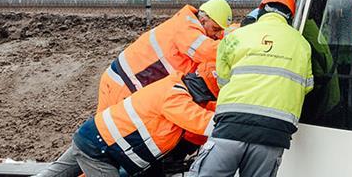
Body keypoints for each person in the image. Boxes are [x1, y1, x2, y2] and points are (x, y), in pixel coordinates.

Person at [191, 0, 313, 177]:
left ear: (262, 10)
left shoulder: (236, 36)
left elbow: (223, 80)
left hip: (231, 126)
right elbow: (307, 85)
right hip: (274, 132)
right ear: (290, 16)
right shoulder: (302, 44)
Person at [37, 63, 219, 177]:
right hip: (98, 152)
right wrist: (238, 121)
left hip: (90, 139)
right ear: (202, 92)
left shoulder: (173, 84)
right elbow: (204, 123)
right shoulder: (175, 98)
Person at [98, 0, 234, 112]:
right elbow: (208, 51)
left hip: (127, 82)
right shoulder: (186, 27)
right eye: (216, 29)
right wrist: (240, 44)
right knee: (110, 130)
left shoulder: (194, 26)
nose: (217, 35)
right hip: (122, 86)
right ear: (203, 20)